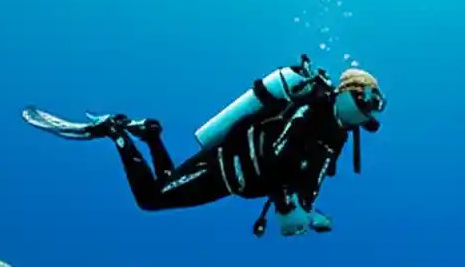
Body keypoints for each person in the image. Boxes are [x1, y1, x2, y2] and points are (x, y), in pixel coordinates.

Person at [22, 56, 386, 237]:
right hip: (225, 168)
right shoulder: (310, 110)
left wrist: (307, 209)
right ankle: (115, 132)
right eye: (367, 101)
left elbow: (311, 176)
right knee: (151, 199)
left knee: (165, 185)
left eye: (375, 106)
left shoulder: (336, 133)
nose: (369, 113)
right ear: (347, 94)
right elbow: (282, 157)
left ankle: (151, 137)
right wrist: (286, 202)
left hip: (233, 181)